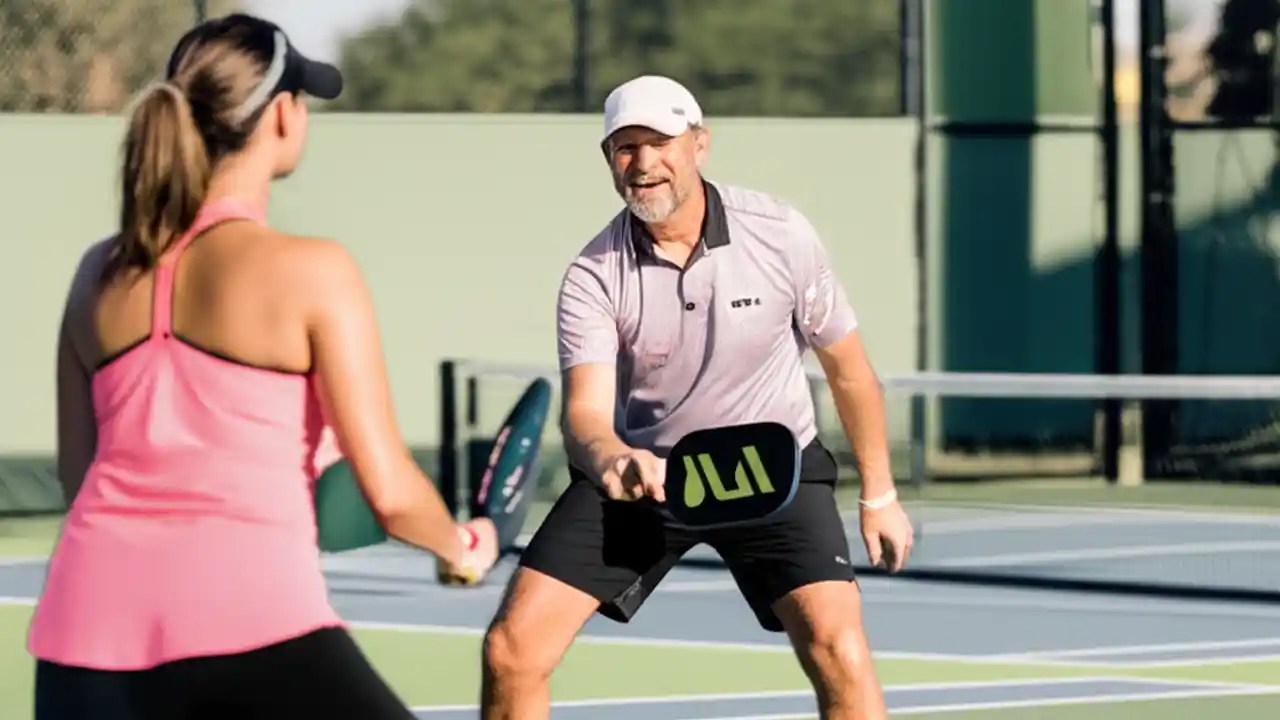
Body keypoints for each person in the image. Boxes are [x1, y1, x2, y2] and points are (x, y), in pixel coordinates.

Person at [27, 13, 496, 720]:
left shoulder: (96, 272)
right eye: (303, 101)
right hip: (252, 628)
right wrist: (462, 544)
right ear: (282, 114)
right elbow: (393, 494)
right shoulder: (314, 271)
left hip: (81, 640)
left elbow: (79, 474)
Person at [479, 75, 915, 720]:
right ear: (609, 162)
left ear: (699, 145)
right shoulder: (593, 275)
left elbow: (849, 370)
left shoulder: (781, 234)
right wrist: (612, 460)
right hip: (650, 477)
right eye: (625, 148)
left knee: (837, 646)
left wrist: (880, 495)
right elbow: (586, 417)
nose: (643, 163)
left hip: (773, 470)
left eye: (659, 142)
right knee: (511, 651)